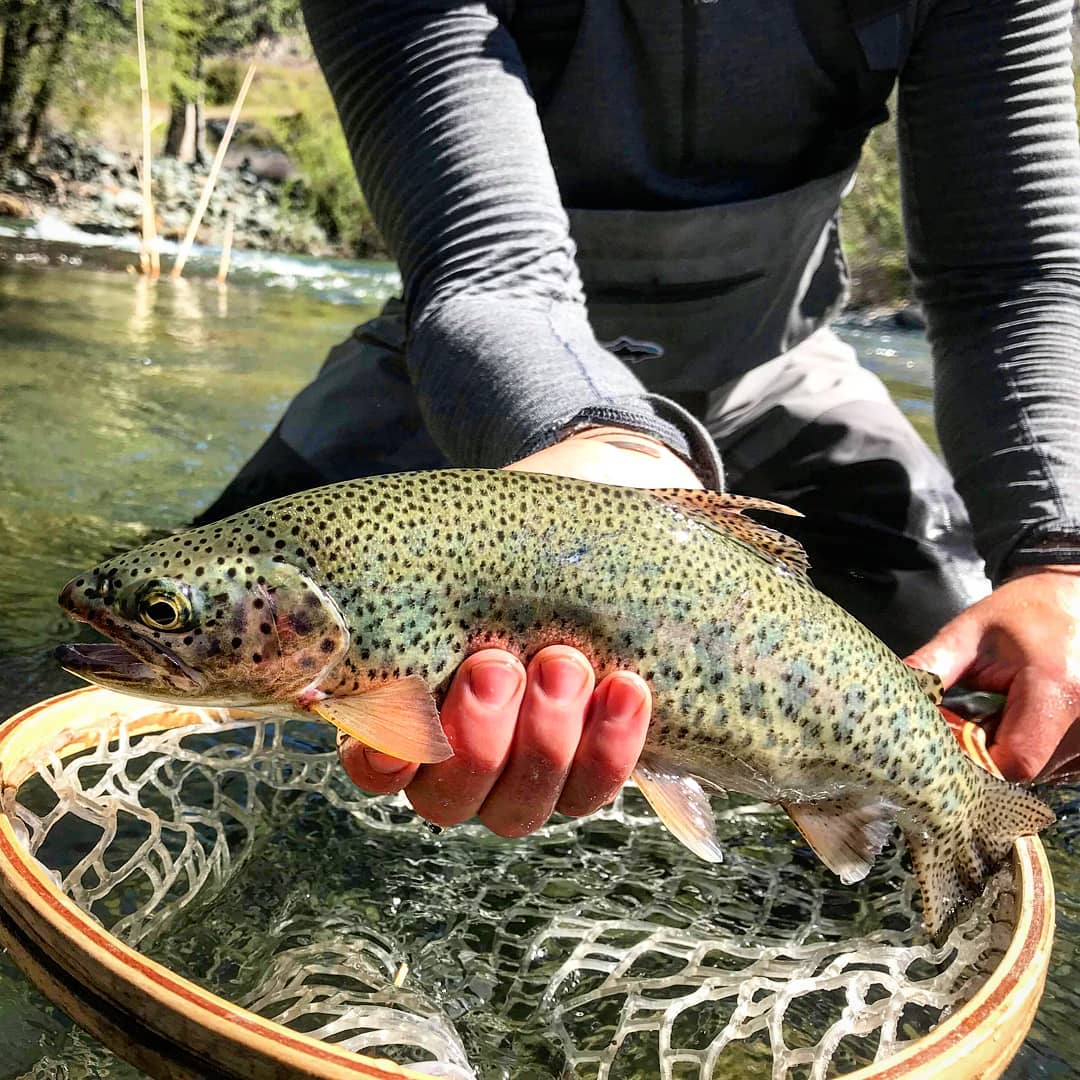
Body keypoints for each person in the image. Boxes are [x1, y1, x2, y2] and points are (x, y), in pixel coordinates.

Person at [198, 0, 1080, 837]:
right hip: (470, 390)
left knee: (1011, 703)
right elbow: (487, 267)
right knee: (187, 667)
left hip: (777, 379)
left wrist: (1055, 552)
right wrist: (601, 439)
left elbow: (1008, 280)